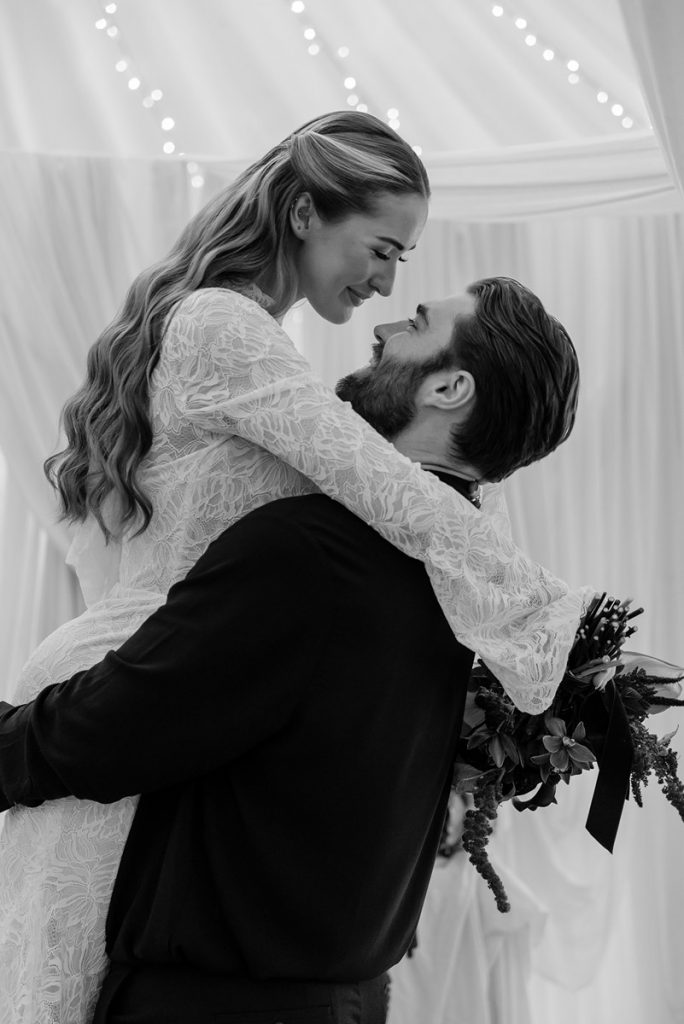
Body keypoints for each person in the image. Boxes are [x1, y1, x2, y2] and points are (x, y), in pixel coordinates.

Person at [0, 102, 589, 1020]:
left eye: (408, 270)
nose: (389, 290)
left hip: (147, 705)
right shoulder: (222, 329)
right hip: (118, 697)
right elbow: (382, 481)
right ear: (308, 213)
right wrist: (530, 601)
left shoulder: (266, 376)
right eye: (385, 248)